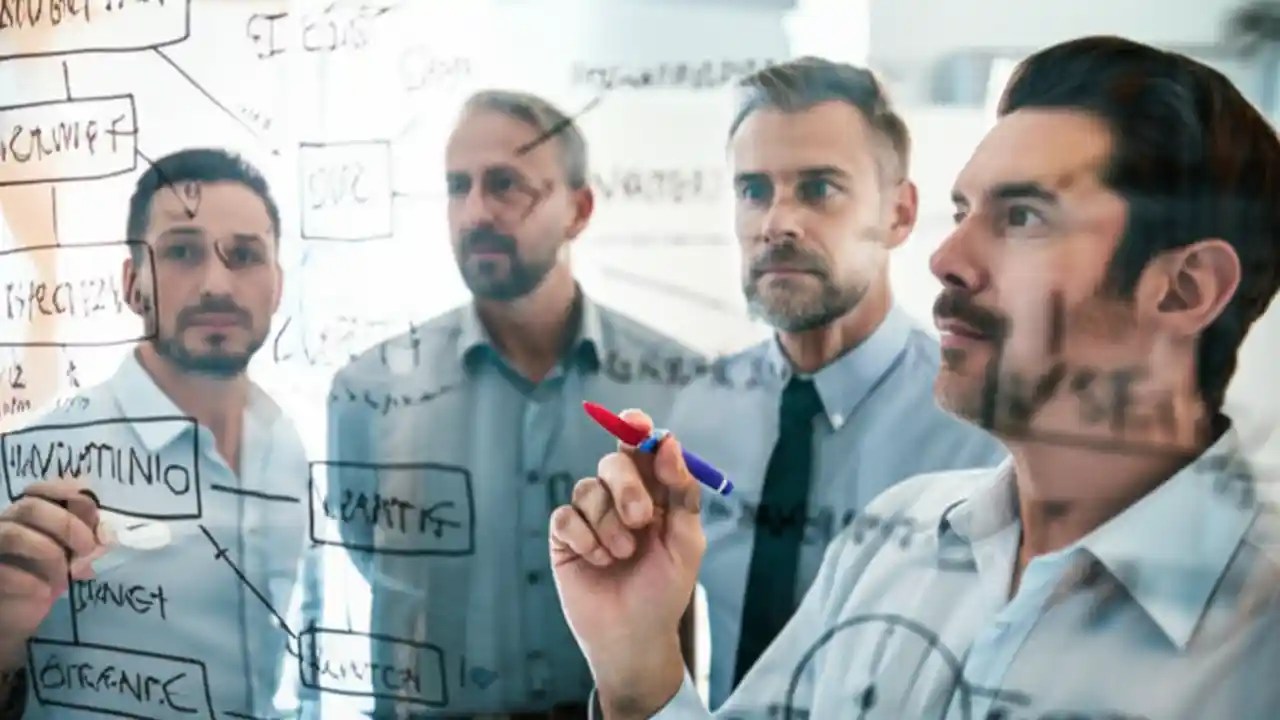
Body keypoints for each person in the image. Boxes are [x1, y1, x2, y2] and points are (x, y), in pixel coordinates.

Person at [550, 35, 1280, 720]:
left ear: (1185, 289)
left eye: (1023, 216)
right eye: (965, 211)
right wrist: (638, 666)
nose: (947, 257)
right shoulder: (887, 537)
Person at [324, 90, 700, 718]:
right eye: (457, 186)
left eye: (505, 185)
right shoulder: (370, 393)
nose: (475, 212)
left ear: (579, 210)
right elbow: (371, 560)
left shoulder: (678, 387)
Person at [664, 56, 1006, 706]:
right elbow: (667, 630)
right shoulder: (701, 412)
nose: (776, 223)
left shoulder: (980, 433)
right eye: (753, 190)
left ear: (900, 214)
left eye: (819, 189)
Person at [0, 148, 312, 720]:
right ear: (131, 283)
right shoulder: (23, 467)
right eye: (182, 252)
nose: (217, 283)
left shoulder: (292, 452)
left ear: (276, 286)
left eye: (244, 256)